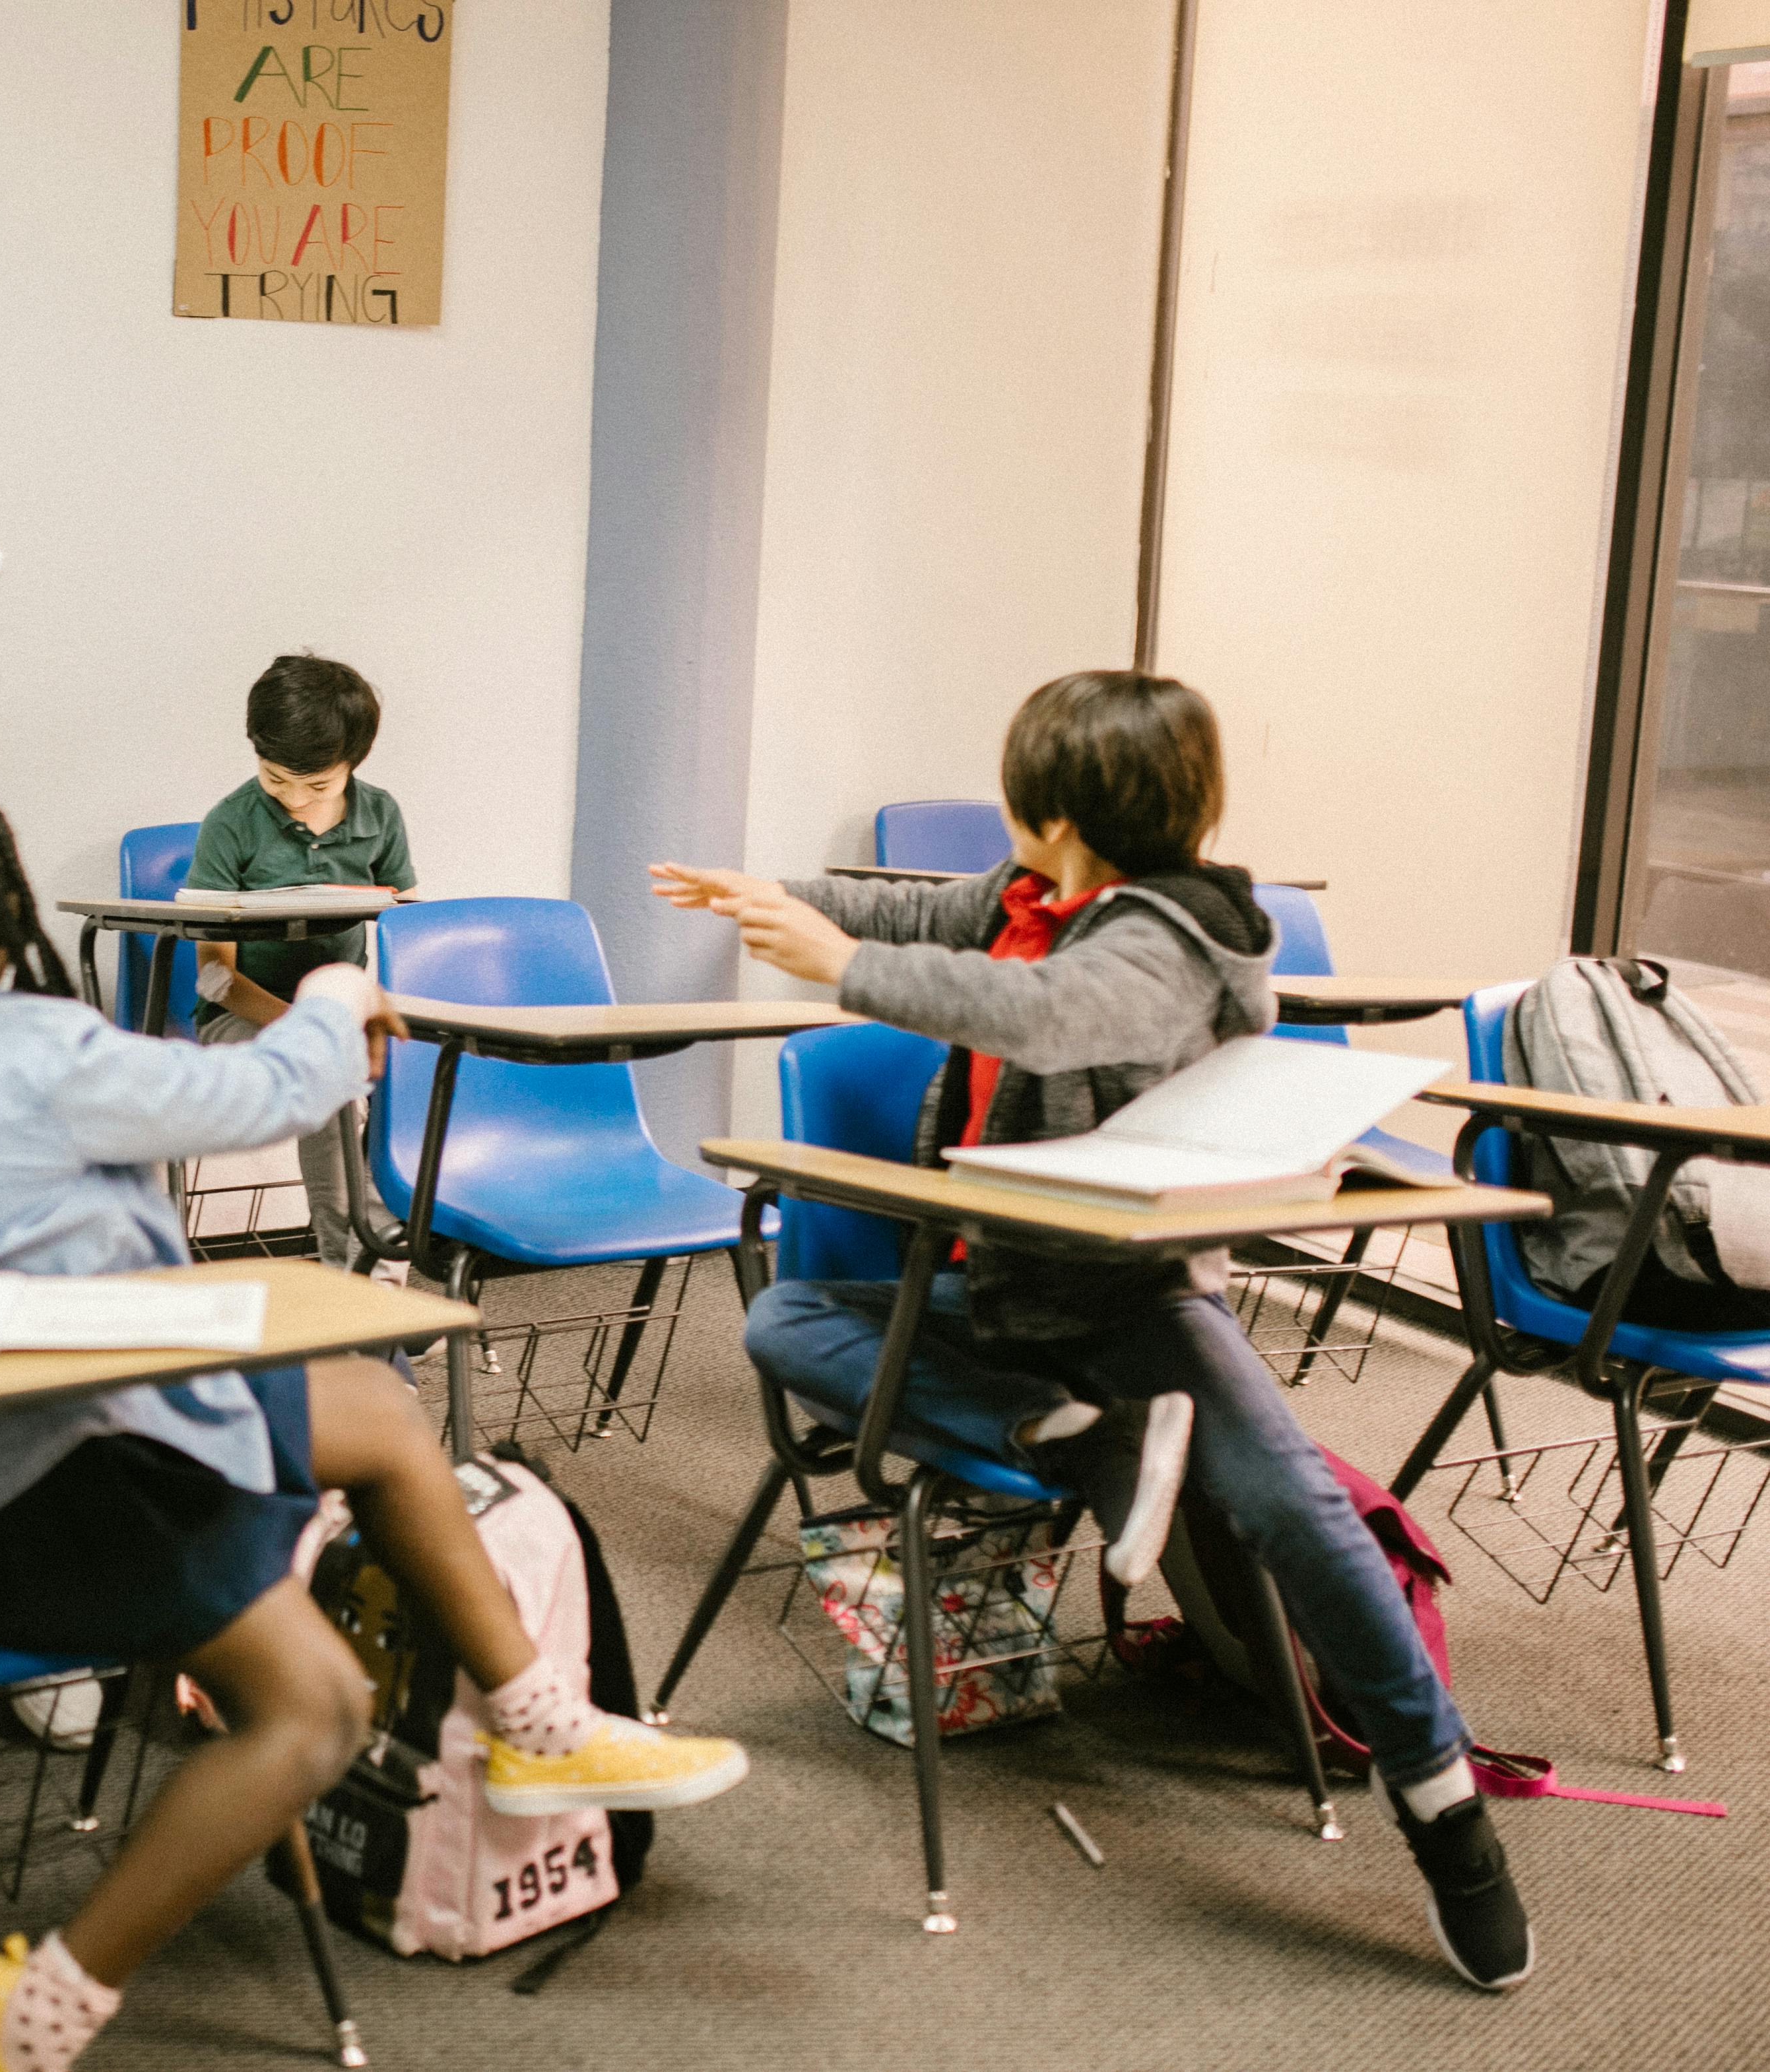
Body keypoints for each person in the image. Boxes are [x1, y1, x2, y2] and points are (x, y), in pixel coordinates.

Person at [0, 777, 747, 2071]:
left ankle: (535, 1720)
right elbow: (271, 1088)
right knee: (316, 1709)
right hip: (20, 1483)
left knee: (379, 1411)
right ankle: (30, 2014)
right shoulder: (35, 1053)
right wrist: (336, 994)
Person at [649, 668, 1534, 1992]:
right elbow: (911, 908)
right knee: (790, 1314)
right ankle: (1063, 1432)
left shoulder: (1171, 939)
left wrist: (842, 969)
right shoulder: (1027, 898)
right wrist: (778, 898)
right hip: (991, 1300)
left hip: (1133, 1302)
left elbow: (1047, 1014)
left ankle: (1442, 1798)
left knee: (1297, 1509)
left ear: (1064, 808)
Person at [183, 653, 415, 1269]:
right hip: (242, 1021)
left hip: (339, 1016)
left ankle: (383, 1294)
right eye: (274, 777)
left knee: (428, 1069)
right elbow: (213, 975)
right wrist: (304, 1024)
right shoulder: (230, 823)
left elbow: (407, 926)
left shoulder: (381, 816)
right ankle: (365, 1288)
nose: (292, 799)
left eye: (317, 786)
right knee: (333, 1072)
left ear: (352, 766)